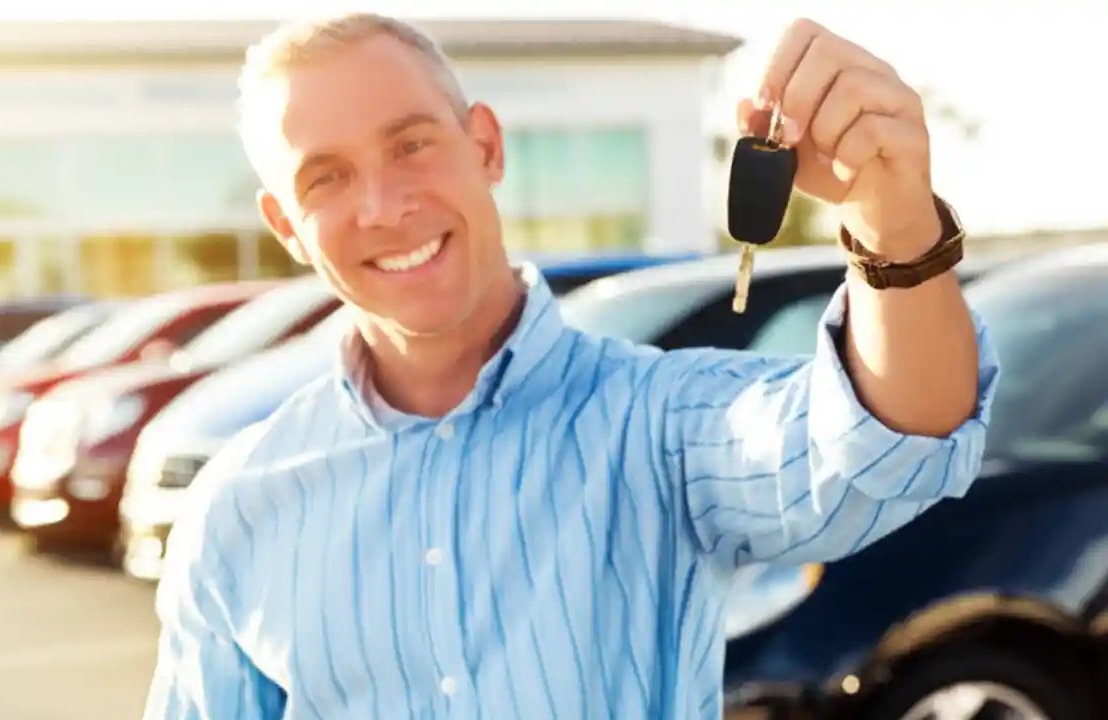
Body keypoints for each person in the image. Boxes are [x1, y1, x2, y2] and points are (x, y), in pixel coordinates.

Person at [143, 13, 1000, 720]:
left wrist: (893, 225)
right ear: (286, 224)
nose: (384, 207)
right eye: (326, 177)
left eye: (410, 145)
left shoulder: (661, 426)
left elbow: (892, 441)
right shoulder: (238, 508)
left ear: (484, 146)